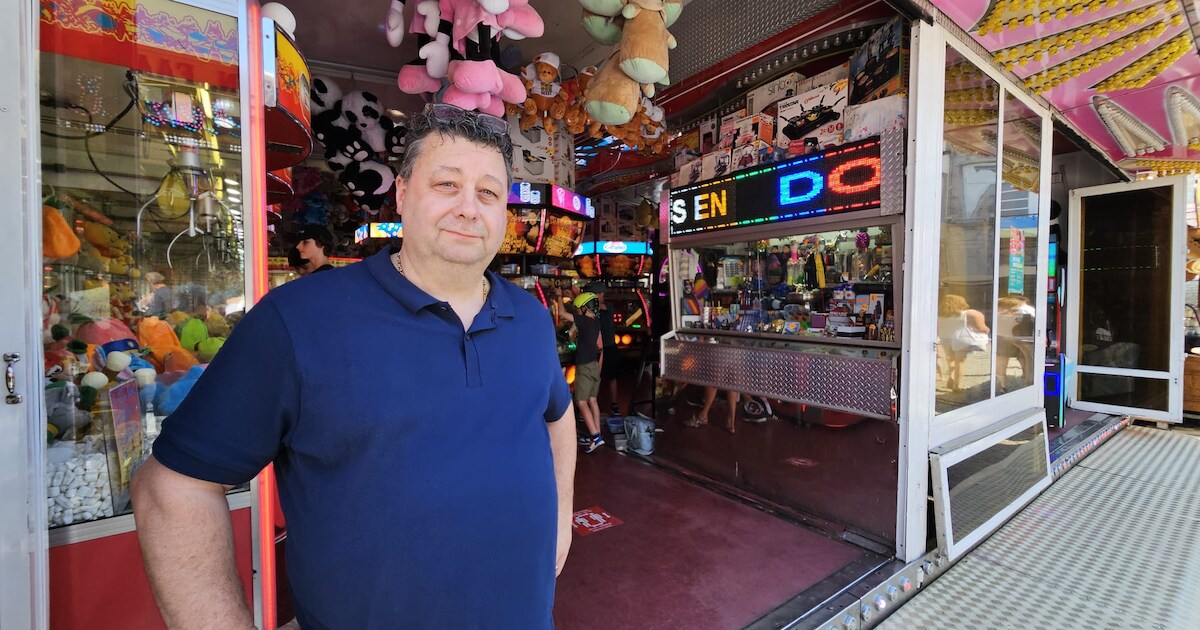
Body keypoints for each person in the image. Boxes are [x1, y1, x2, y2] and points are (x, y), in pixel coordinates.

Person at [131, 103, 577, 629]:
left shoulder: (530, 316)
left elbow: (556, 415)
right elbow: (174, 486)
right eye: (447, 184)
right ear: (402, 193)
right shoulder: (298, 319)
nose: (468, 208)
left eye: (488, 192)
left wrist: (561, 519)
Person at [562, 291, 604, 453]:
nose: (578, 312)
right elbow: (600, 345)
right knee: (593, 400)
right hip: (594, 365)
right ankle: (597, 433)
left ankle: (595, 436)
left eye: (579, 309)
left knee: (581, 402)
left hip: (585, 366)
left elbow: (563, 314)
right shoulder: (595, 322)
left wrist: (558, 297)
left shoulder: (584, 321)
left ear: (585, 309)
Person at [936, 293, 990, 392]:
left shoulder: (940, 315)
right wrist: (987, 330)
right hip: (960, 339)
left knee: (951, 359)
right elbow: (981, 328)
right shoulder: (967, 314)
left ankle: (951, 377)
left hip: (945, 338)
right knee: (960, 362)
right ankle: (956, 386)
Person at [585, 280, 623, 415]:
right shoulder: (588, 306)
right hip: (596, 348)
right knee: (595, 378)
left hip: (608, 347)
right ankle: (591, 407)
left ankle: (614, 405)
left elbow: (596, 306)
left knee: (612, 377)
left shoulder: (607, 306)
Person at [996, 294, 1036, 390]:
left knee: (1003, 359)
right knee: (1028, 358)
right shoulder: (1027, 309)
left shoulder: (1014, 310)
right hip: (1024, 338)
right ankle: (1028, 380)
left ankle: (1002, 384)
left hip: (1008, 336)